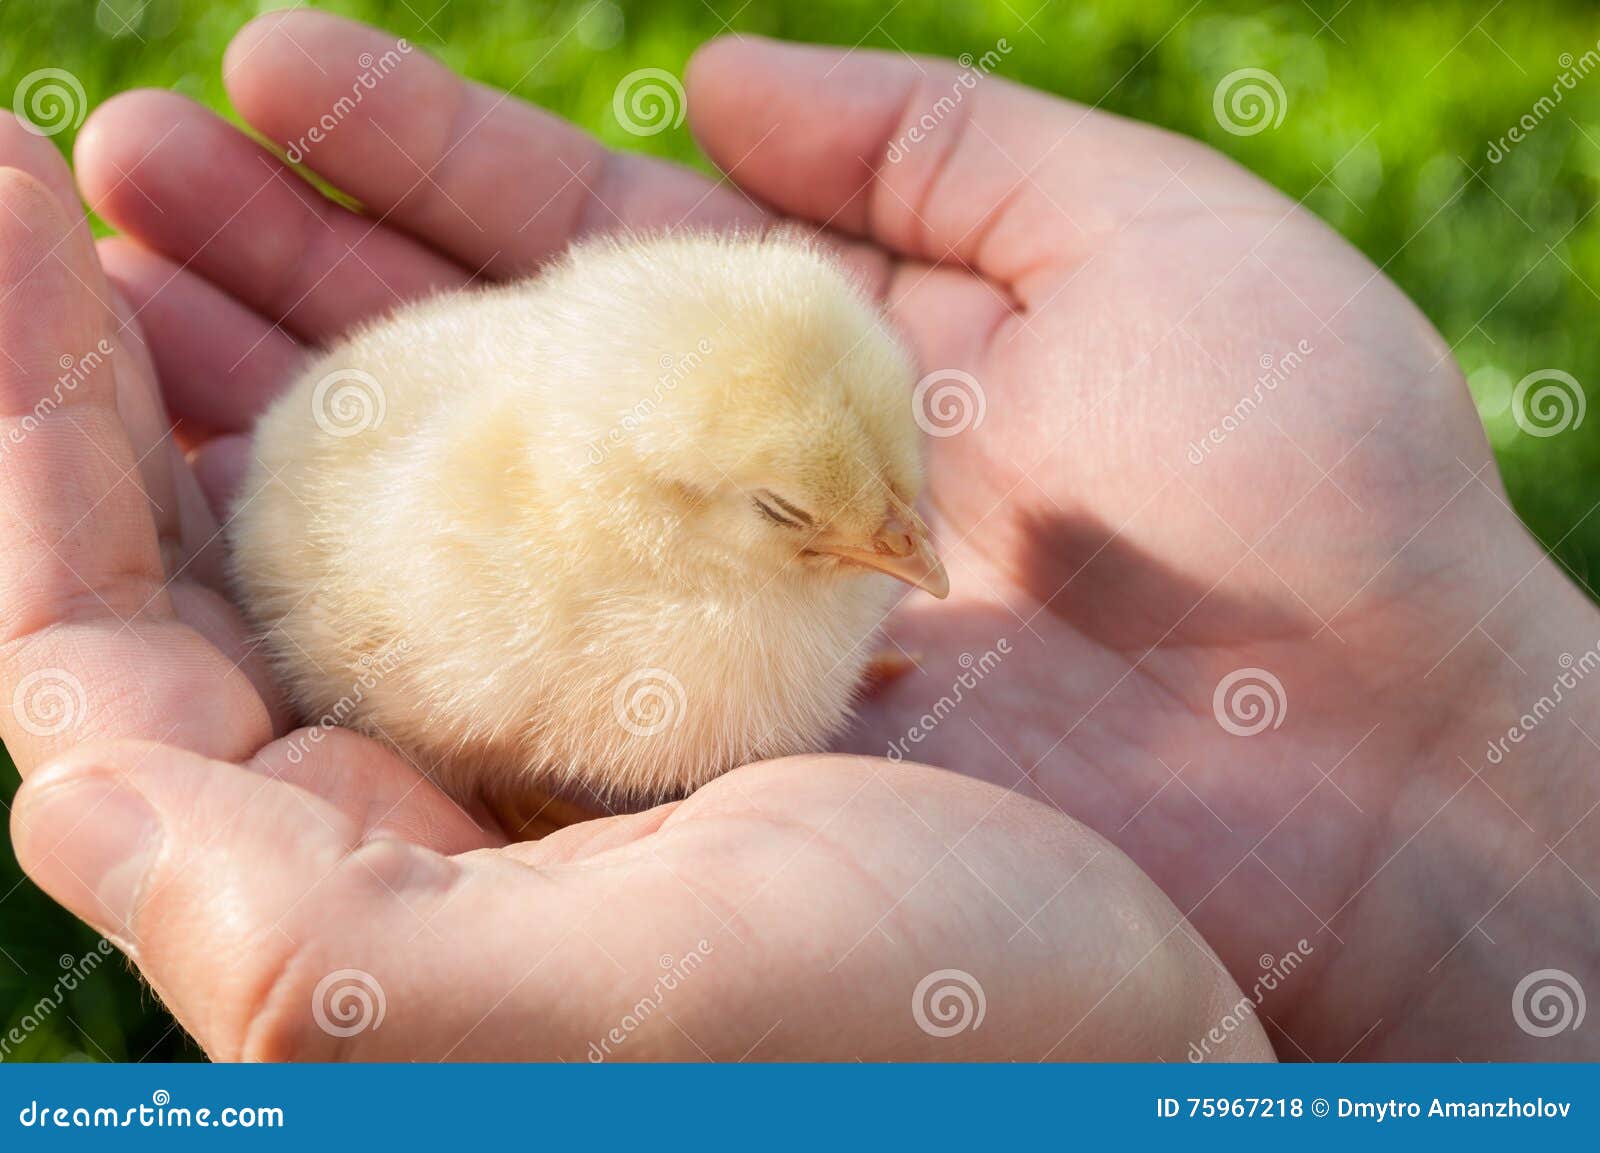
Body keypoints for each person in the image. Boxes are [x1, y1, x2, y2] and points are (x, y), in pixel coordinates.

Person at [1, 10, 1593, 1061]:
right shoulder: (515, 564)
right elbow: (405, 620)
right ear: (655, 503)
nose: (911, 542)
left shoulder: (740, 487)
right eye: (796, 513)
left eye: (900, 470)